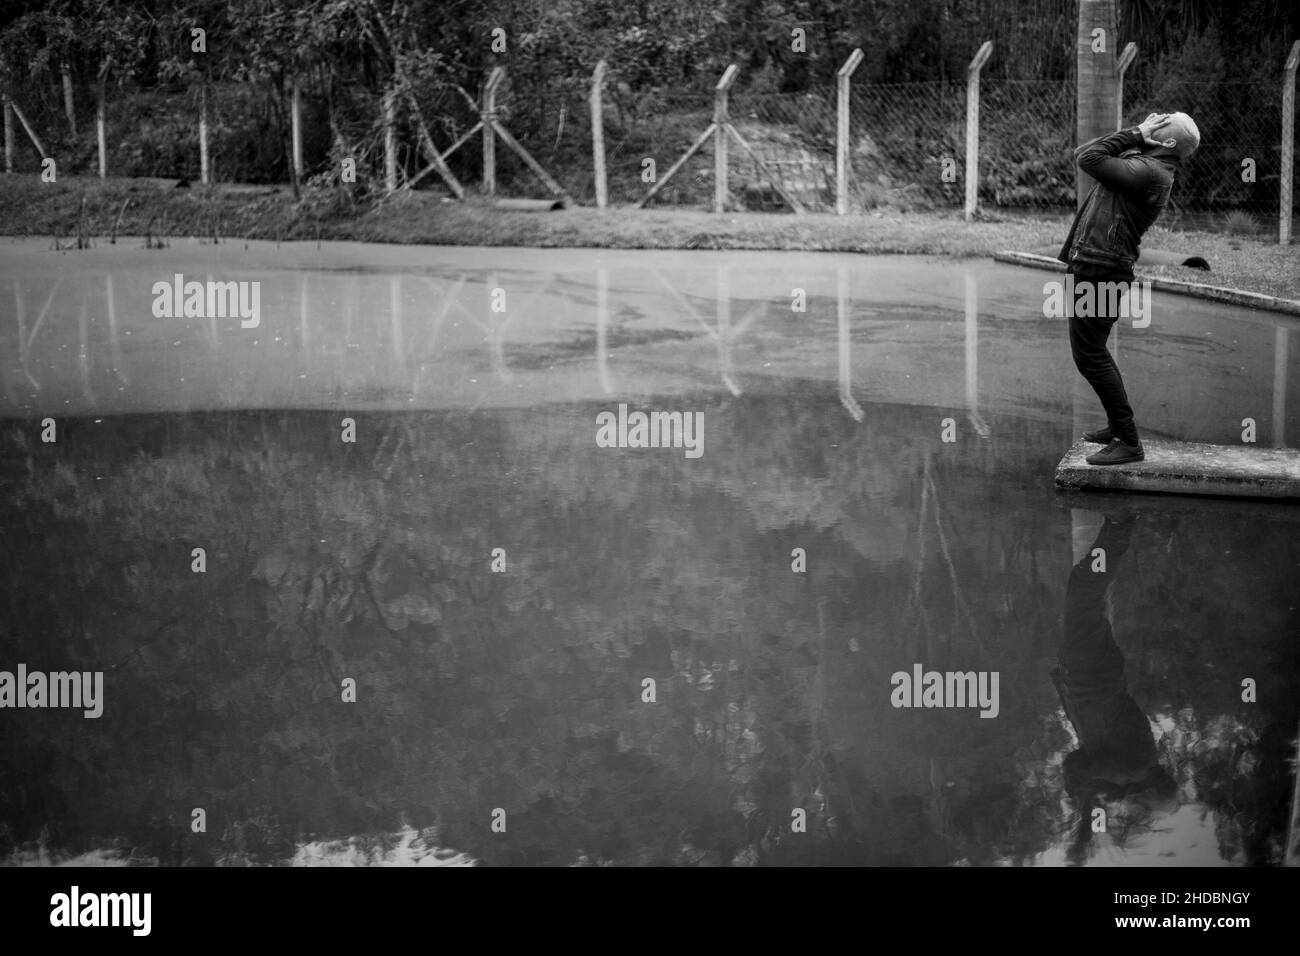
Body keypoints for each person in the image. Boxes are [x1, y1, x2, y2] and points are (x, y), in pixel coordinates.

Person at [1058, 112, 1201, 465]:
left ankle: (1128, 440)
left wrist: (1137, 132)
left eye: (1162, 121)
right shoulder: (1145, 165)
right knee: (1093, 352)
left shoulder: (1150, 173)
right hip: (1097, 265)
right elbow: (1085, 151)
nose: (1154, 118)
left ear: (1167, 142)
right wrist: (1136, 137)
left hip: (1101, 269)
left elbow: (1086, 158)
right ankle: (1117, 426)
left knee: (1090, 355)